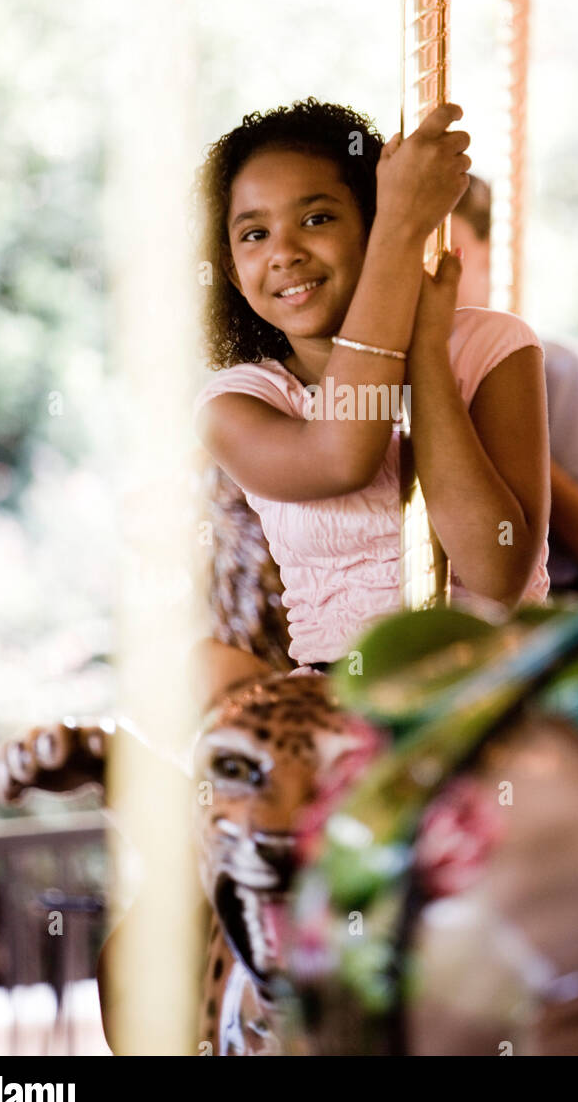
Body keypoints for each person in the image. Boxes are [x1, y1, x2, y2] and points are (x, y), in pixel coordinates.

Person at [191, 99, 551, 695]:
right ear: (232, 271)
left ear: (371, 221)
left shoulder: (493, 347)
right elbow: (342, 454)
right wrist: (402, 234)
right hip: (341, 697)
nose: (285, 252)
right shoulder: (237, 404)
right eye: (255, 234)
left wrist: (429, 355)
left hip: (490, 687)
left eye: (317, 219)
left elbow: (497, 573)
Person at [450, 176, 578, 595]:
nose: (430, 270)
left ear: (489, 254)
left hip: (568, 605)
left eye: (447, 249)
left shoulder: (557, 368)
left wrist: (508, 442)